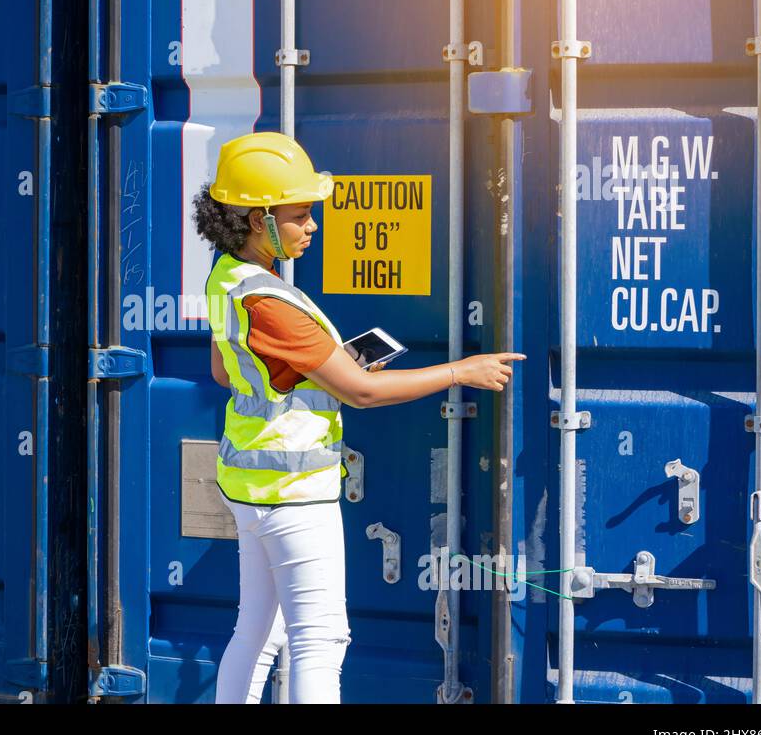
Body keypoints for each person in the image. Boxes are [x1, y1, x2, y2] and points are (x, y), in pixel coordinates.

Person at [195, 132, 523, 704]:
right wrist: (460, 371)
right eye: (300, 216)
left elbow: (228, 375)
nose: (312, 226)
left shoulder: (227, 278)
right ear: (257, 220)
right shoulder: (270, 302)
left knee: (258, 629)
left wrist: (309, 365)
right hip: (294, 493)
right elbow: (362, 394)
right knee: (320, 638)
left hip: (250, 487)